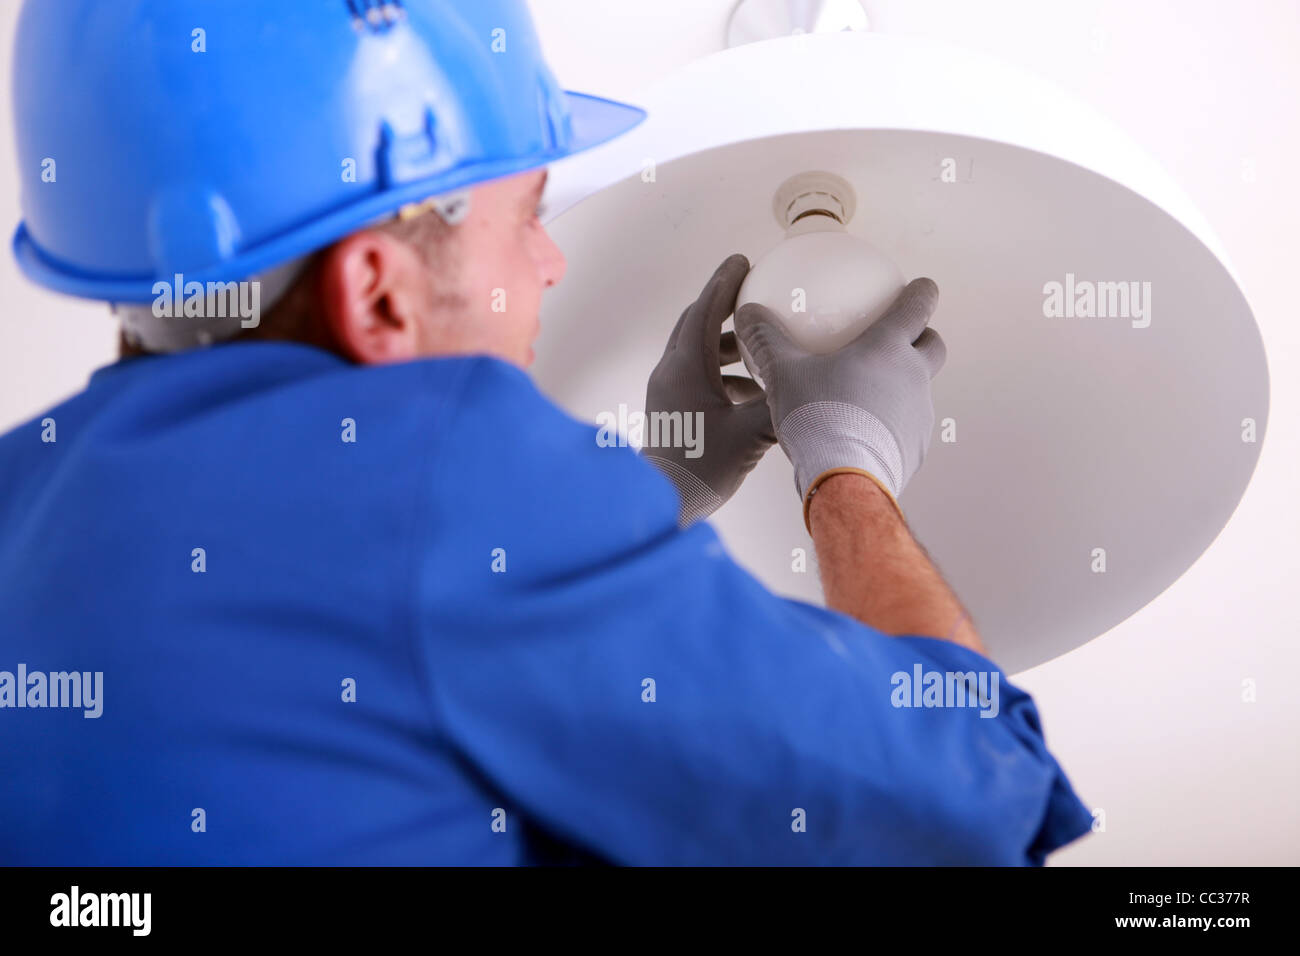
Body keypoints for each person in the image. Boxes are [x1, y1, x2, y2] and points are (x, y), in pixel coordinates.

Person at [0, 0, 1091, 864]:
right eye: (525, 218)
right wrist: (849, 464)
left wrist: (649, 486)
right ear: (377, 295)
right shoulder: (444, 480)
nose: (551, 262)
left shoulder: (22, 499)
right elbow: (967, 805)